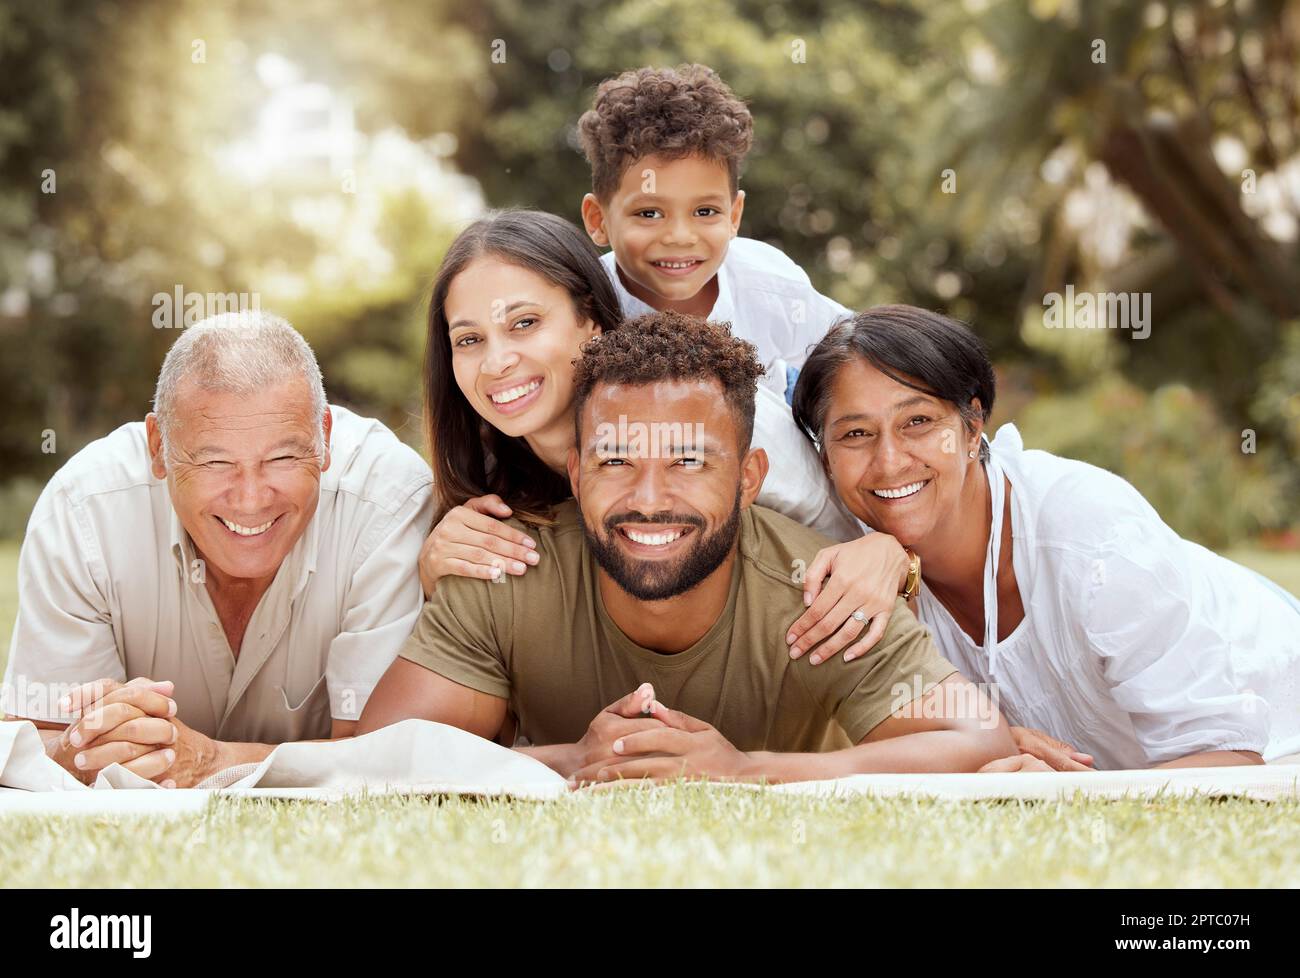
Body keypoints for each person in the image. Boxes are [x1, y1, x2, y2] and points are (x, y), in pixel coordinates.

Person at [358, 313, 1016, 782]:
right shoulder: (508, 570)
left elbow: (975, 739)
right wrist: (572, 759)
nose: (650, 498)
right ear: (579, 473)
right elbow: (377, 759)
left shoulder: (819, 594)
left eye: (689, 462)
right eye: (617, 462)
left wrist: (745, 770)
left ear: (749, 479)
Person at [791, 304, 1300, 771]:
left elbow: (1226, 761)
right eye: (855, 434)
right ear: (824, 457)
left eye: (919, 422)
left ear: (972, 428)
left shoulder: (1089, 532)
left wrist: (1074, 800)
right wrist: (989, 740)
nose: (889, 461)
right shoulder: (842, 561)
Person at [419, 210, 912, 663]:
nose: (496, 360)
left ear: (588, 321)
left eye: (525, 323)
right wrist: (433, 577)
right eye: (469, 339)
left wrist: (888, 553)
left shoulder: (718, 415)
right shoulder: (486, 483)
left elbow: (859, 540)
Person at [1, 311, 433, 787]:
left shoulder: (388, 501)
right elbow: (40, 733)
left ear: (324, 438)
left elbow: (389, 751)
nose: (250, 499)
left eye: (283, 457)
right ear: (159, 447)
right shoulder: (83, 511)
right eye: (215, 462)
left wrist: (211, 761)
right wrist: (86, 748)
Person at [576, 63, 861, 539]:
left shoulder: (768, 283)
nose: (680, 237)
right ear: (598, 219)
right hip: (658, 519)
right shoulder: (585, 311)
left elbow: (862, 361)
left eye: (705, 211)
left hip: (790, 511)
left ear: (734, 214)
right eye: (649, 213)